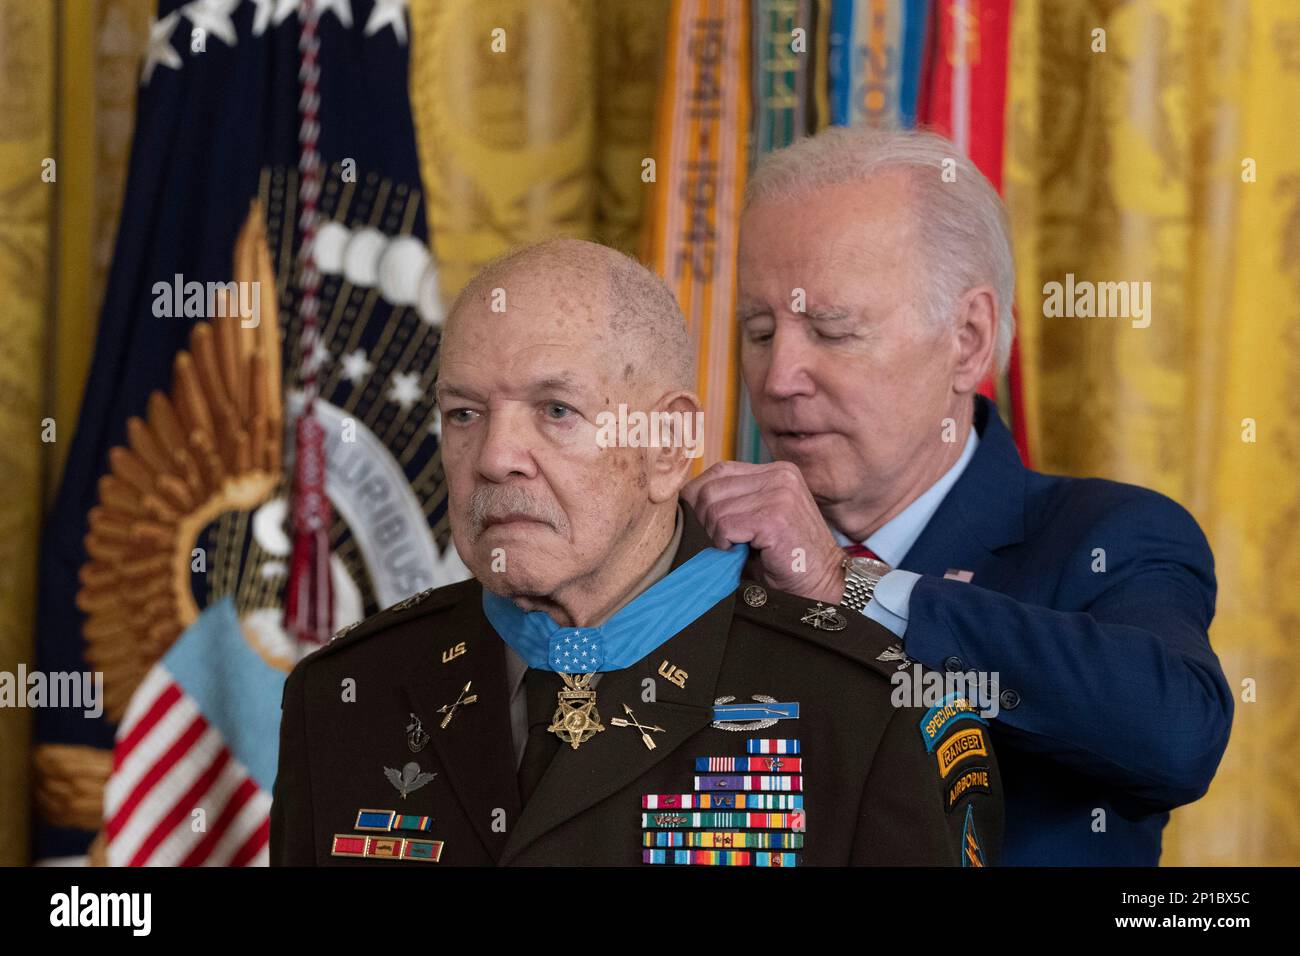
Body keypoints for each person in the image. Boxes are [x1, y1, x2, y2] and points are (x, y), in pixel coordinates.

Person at [270, 238, 1002, 867]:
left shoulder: (867, 710)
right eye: (464, 413)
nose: (494, 457)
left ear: (668, 445)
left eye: (556, 410)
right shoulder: (344, 693)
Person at [684, 126, 1232, 865]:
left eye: (832, 331)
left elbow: (1176, 734)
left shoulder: (1107, 537)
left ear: (967, 340)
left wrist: (848, 586)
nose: (779, 378)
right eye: (758, 332)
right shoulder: (701, 549)